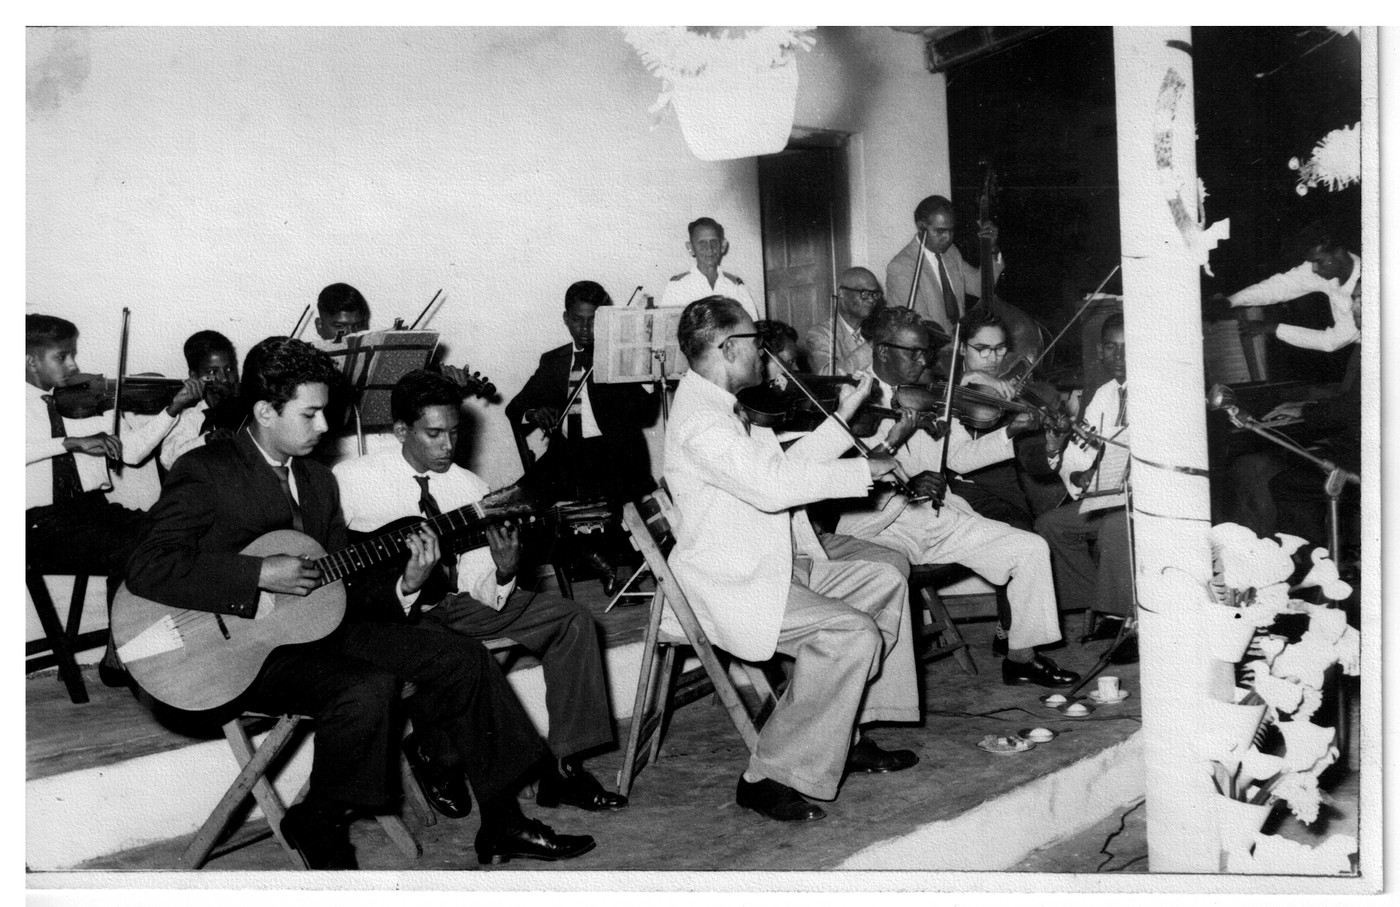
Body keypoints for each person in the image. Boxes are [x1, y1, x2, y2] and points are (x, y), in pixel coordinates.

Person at [125, 336, 596, 869]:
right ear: (264, 411)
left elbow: (338, 583)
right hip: (234, 653)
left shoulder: (318, 480)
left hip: (315, 629)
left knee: (463, 659)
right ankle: (320, 821)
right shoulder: (208, 470)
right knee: (364, 688)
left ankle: (503, 821)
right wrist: (256, 572)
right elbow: (146, 566)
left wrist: (408, 583)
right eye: (311, 413)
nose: (326, 427)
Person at [666, 297, 919, 823]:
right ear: (727, 347)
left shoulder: (725, 405)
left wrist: (844, 415)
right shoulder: (702, 424)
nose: (763, 354)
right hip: (732, 581)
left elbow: (782, 465)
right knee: (851, 634)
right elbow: (771, 488)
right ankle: (768, 775)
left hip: (766, 562)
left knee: (887, 573)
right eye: (754, 342)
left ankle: (842, 732)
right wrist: (863, 470)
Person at [336, 368, 627, 814]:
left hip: (454, 603)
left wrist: (506, 569)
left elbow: (477, 582)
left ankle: (565, 768)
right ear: (400, 431)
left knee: (573, 620)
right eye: (434, 434)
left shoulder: (471, 489)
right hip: (390, 616)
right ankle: (437, 752)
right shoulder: (352, 479)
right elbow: (326, 557)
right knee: (443, 649)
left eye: (454, 433)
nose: (448, 447)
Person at [833, 306, 1077, 686]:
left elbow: (961, 456)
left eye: (926, 353)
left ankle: (1021, 658)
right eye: (911, 353)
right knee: (885, 577)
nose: (923, 362)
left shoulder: (931, 396)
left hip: (935, 515)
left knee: (1029, 548)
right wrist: (903, 484)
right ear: (882, 352)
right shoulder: (848, 399)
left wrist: (1010, 432)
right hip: (879, 527)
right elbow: (837, 476)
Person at [25, 314, 203, 686]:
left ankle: (124, 648)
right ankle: (121, 654)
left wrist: (174, 408)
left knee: (166, 532)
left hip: (90, 512)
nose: (74, 365)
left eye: (73, 354)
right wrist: (67, 443)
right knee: (126, 545)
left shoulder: (80, 401)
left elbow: (133, 453)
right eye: (63, 357)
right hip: (35, 524)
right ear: (30, 361)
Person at [506, 280, 659, 593]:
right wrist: (533, 413)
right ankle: (586, 553)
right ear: (566, 318)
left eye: (593, 320)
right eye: (577, 319)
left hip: (614, 452)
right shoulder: (554, 361)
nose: (585, 329)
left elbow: (645, 413)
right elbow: (514, 409)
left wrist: (646, 371)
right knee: (518, 502)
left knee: (613, 501)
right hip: (567, 453)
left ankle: (613, 565)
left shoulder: (617, 356)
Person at [1034, 313, 1136, 662]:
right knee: (1050, 525)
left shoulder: (1159, 390)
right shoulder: (1105, 394)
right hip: (1109, 496)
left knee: (1113, 525)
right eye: (1111, 346)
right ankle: (1108, 604)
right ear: (1100, 352)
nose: (1119, 355)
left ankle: (1124, 620)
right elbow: (1079, 452)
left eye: (1127, 346)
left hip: (1144, 503)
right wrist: (1078, 476)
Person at [1224, 225, 1361, 353]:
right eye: (1312, 262)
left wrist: (1271, 328)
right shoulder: (1324, 266)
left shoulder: (1364, 290)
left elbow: (1330, 342)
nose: (1314, 269)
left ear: (1339, 252)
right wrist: (1231, 301)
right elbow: (1280, 286)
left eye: (1318, 261)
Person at [159, 330, 245, 471]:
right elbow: (168, 459)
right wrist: (206, 439)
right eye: (212, 372)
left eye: (229, 369)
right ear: (195, 376)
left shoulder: (249, 407)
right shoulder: (190, 417)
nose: (224, 378)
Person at [658, 218, 761, 320]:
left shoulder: (736, 287)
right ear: (690, 248)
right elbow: (665, 329)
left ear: (723, 246)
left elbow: (754, 327)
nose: (709, 248)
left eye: (714, 242)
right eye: (702, 243)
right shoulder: (678, 286)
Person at [804, 266, 884, 376]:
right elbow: (829, 374)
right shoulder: (820, 333)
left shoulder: (878, 328)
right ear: (842, 293)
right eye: (864, 293)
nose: (871, 299)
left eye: (875, 294)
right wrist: (871, 346)